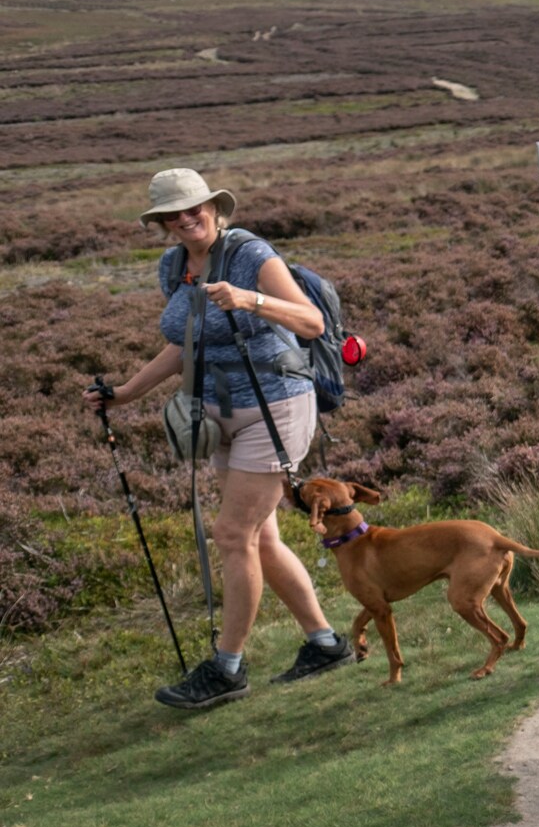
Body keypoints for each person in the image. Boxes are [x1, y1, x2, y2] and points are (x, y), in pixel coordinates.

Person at [86, 168, 347, 709]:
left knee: (233, 536)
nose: (186, 218)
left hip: (275, 407)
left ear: (212, 206)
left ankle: (227, 667)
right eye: (173, 214)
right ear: (162, 223)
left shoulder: (250, 253)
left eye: (193, 207)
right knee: (261, 538)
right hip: (219, 411)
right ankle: (325, 643)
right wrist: (125, 393)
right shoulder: (173, 266)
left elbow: (310, 323)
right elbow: (188, 343)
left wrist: (249, 300)